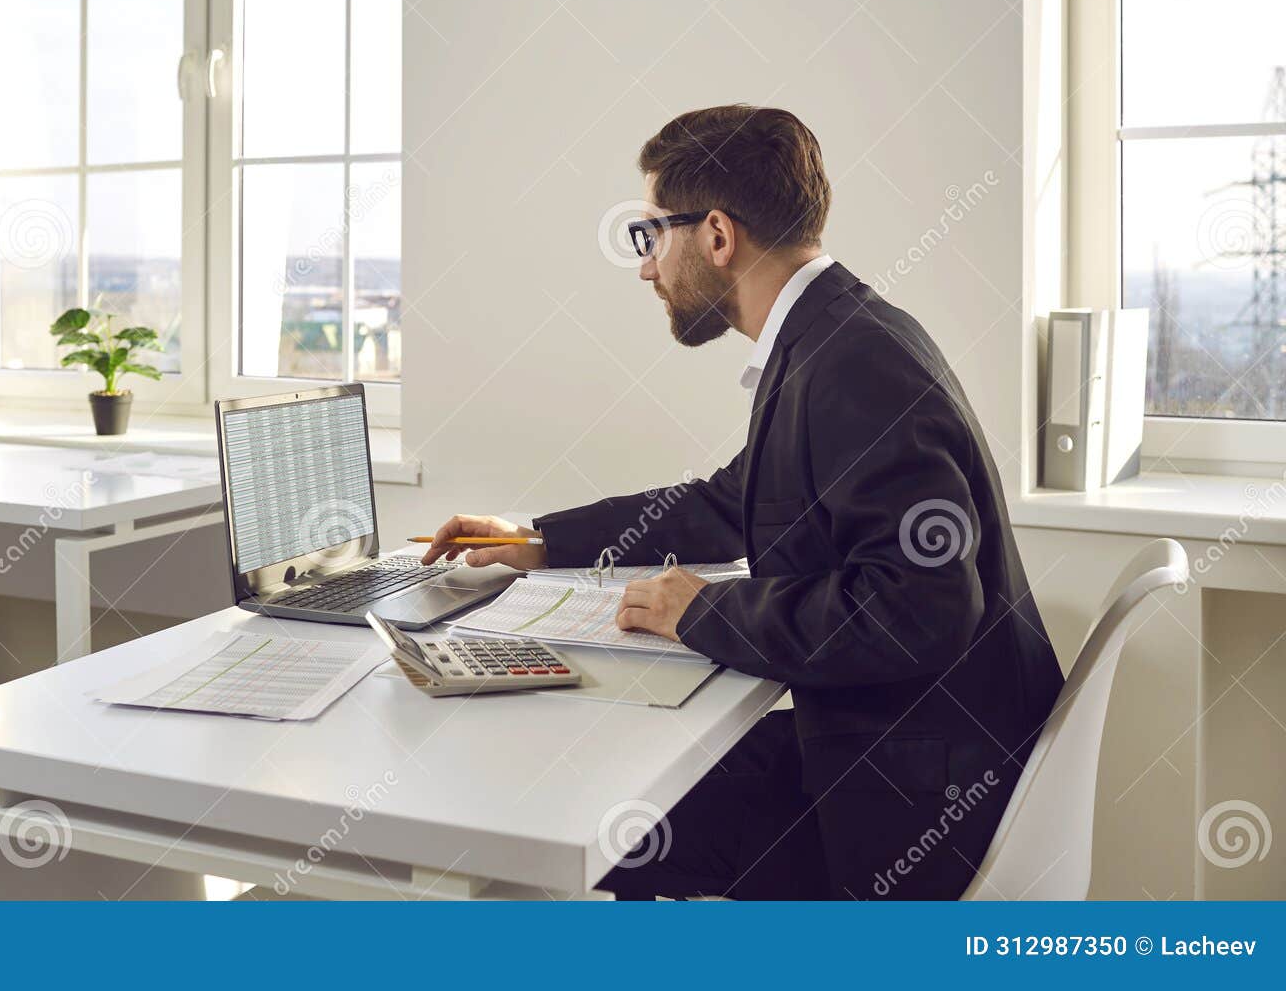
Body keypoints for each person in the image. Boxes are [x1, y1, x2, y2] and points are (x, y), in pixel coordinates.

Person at [420, 105, 1064, 900]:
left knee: (593, 821)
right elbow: (732, 501)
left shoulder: (851, 364)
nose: (647, 268)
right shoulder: (831, 335)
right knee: (609, 799)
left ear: (718, 237)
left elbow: (921, 610)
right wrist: (541, 542)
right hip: (900, 744)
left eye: (649, 235)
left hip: (911, 792)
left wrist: (702, 611)